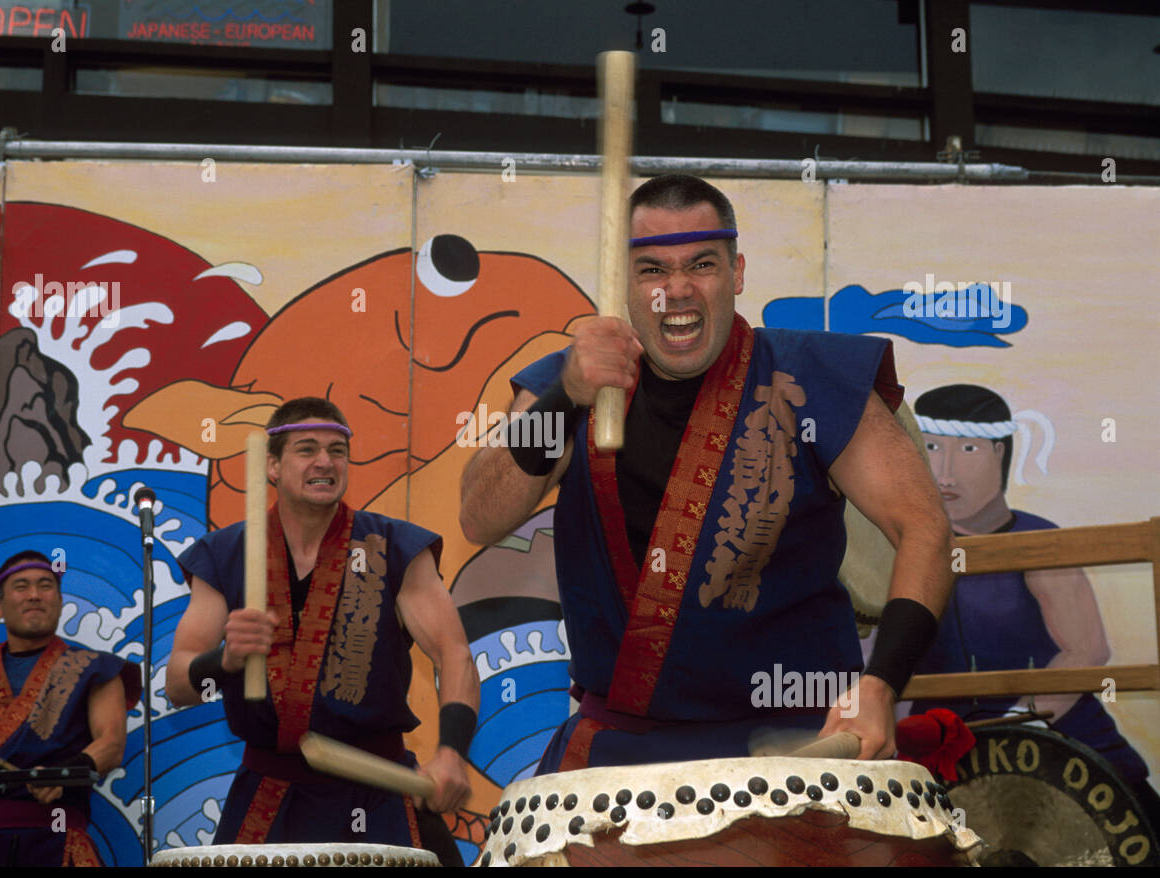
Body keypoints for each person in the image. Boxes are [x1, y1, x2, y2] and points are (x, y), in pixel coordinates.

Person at [460, 174, 953, 772]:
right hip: (620, 752)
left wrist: (880, 686)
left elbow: (923, 526)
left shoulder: (809, 375)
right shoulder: (570, 383)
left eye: (701, 265)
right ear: (623, 284)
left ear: (738, 272)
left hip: (801, 740)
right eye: (652, 271)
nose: (678, 290)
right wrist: (565, 396)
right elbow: (479, 517)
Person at [167, 397, 478, 865]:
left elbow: (455, 655)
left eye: (337, 451)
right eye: (306, 449)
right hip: (270, 795)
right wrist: (225, 661)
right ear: (271, 466)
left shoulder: (393, 547)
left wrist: (452, 751)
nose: (325, 462)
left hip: (379, 786)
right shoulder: (225, 553)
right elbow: (178, 685)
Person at [911, 383, 1160, 828]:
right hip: (936, 739)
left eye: (967, 448)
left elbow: (1087, 651)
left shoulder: (1039, 540)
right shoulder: (902, 545)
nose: (946, 471)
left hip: (1050, 727)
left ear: (1001, 454)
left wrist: (1019, 724)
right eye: (931, 447)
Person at [0, 551, 138, 866]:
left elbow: (112, 744)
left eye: (45, 585)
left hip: (56, 835)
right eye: (21, 586)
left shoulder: (96, 667)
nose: (35, 595)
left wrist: (64, 774)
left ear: (60, 601)